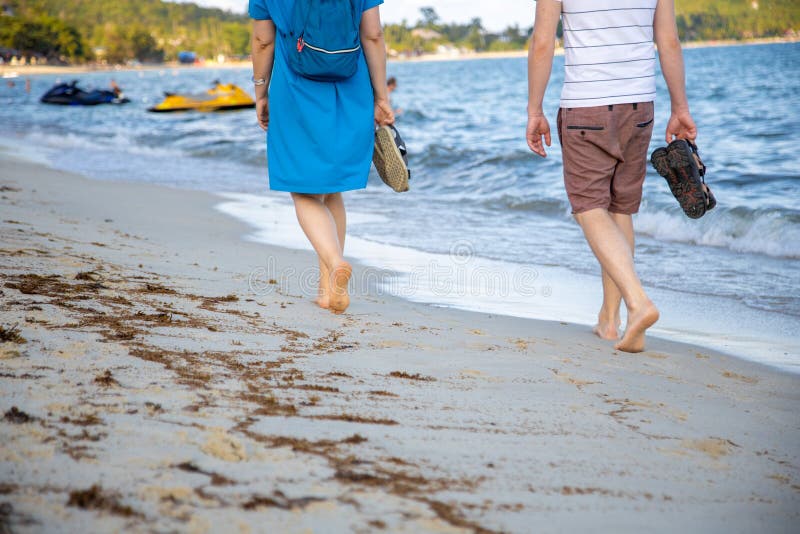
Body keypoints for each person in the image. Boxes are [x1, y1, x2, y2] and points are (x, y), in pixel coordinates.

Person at [526, 0, 697, 352]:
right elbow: (668, 41)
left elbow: (543, 42)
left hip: (586, 106)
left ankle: (638, 303)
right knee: (621, 209)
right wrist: (680, 108)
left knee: (588, 207)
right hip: (640, 107)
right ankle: (609, 320)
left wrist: (534, 110)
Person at [249, 0, 394, 314]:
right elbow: (373, 36)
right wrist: (381, 96)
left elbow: (263, 40)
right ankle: (327, 290)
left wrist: (260, 92)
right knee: (332, 189)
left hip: (294, 89)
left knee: (303, 190)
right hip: (350, 87)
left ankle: (335, 262)